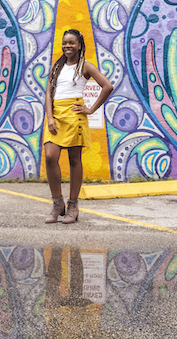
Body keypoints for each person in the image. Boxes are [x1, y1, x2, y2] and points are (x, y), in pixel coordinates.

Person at [43, 29, 113, 224]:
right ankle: (58, 203)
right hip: (56, 115)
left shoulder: (85, 66)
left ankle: (73, 206)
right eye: (65, 42)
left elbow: (107, 86)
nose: (67, 46)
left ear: (79, 45)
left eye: (72, 42)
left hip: (75, 116)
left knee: (75, 160)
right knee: (50, 157)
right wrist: (50, 117)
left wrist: (90, 109)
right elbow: (48, 93)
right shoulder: (56, 67)